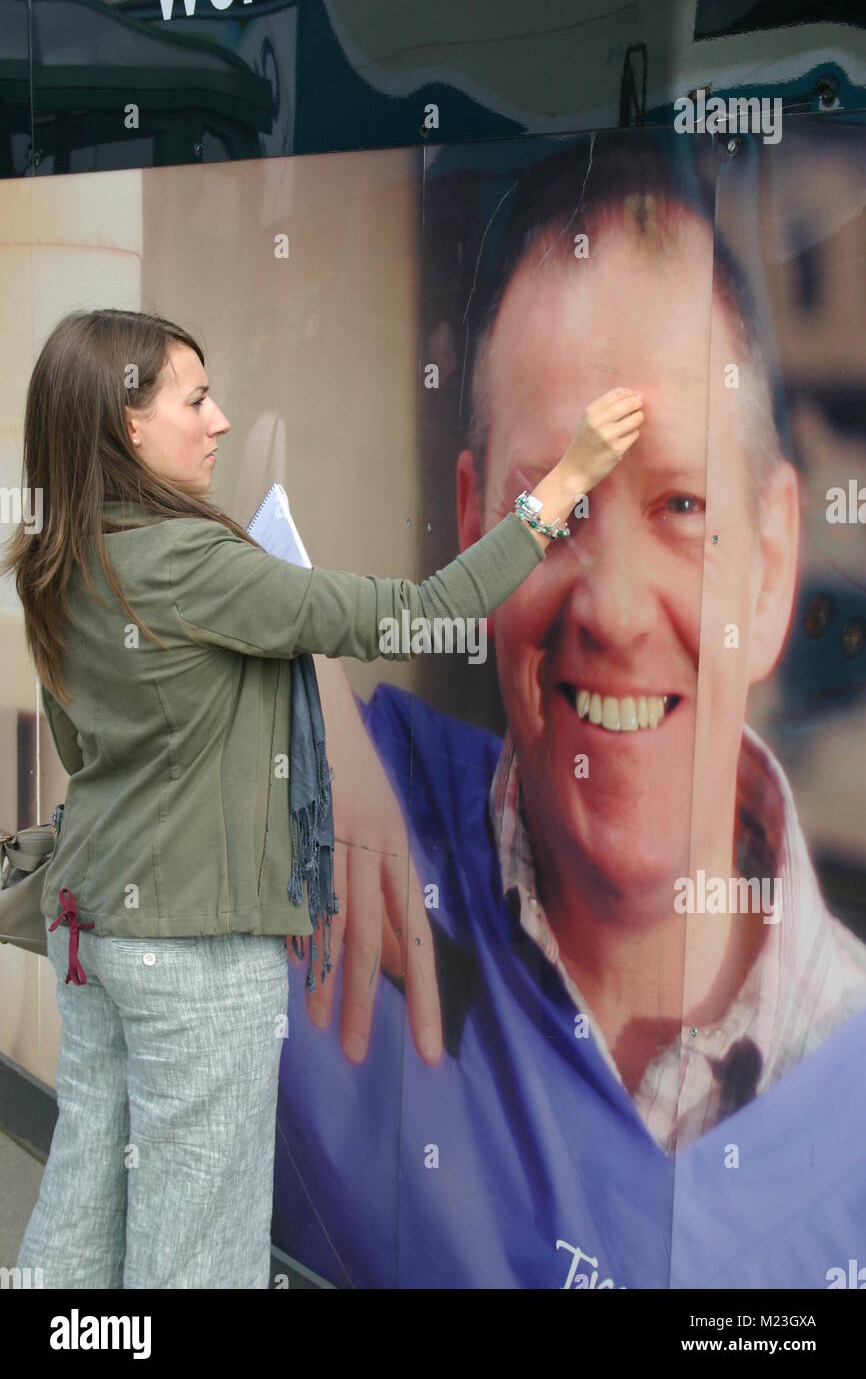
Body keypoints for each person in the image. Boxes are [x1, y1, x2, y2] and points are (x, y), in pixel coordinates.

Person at [271, 133, 866, 1289]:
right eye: (545, 514)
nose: (611, 605)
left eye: (683, 503)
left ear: (771, 556)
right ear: (469, 517)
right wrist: (266, 687)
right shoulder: (343, 813)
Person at [2, 305, 637, 1288]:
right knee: (196, 1235)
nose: (219, 421)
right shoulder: (194, 564)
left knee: (87, 1188)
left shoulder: (62, 563)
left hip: (94, 934)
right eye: (196, 399)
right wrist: (564, 482)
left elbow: (88, 755)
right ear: (128, 424)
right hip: (195, 951)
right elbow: (424, 616)